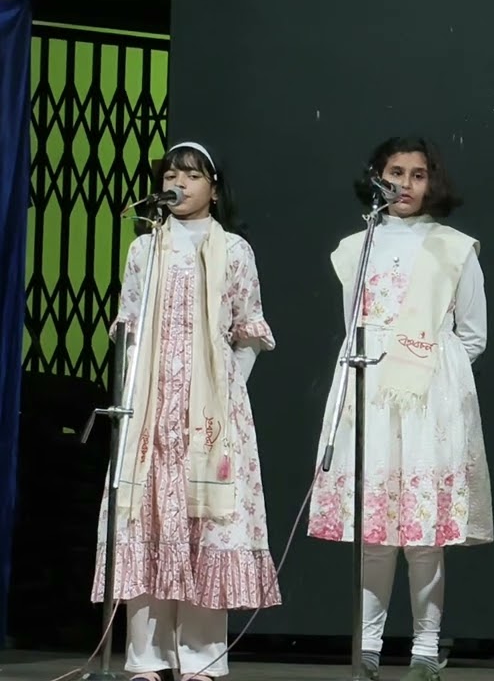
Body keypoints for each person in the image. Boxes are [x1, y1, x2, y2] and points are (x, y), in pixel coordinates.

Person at [307, 136, 493, 681]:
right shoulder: (355, 246)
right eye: (396, 172)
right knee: (374, 527)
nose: (405, 184)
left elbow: (474, 335)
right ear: (377, 178)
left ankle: (426, 650)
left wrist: (430, 369)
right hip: (370, 390)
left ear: (432, 182)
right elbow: (352, 328)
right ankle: (365, 648)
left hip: (429, 396)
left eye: (417, 174)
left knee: (423, 529)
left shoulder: (455, 247)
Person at [94, 141, 280, 681]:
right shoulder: (144, 250)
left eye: (191, 175)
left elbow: (249, 331)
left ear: (214, 188)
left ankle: (201, 659)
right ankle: (145, 659)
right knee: (146, 517)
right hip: (151, 408)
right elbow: (127, 328)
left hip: (213, 416)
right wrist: (132, 395)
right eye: (171, 174)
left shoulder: (236, 251)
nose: (178, 182)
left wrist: (227, 392)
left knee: (207, 523)